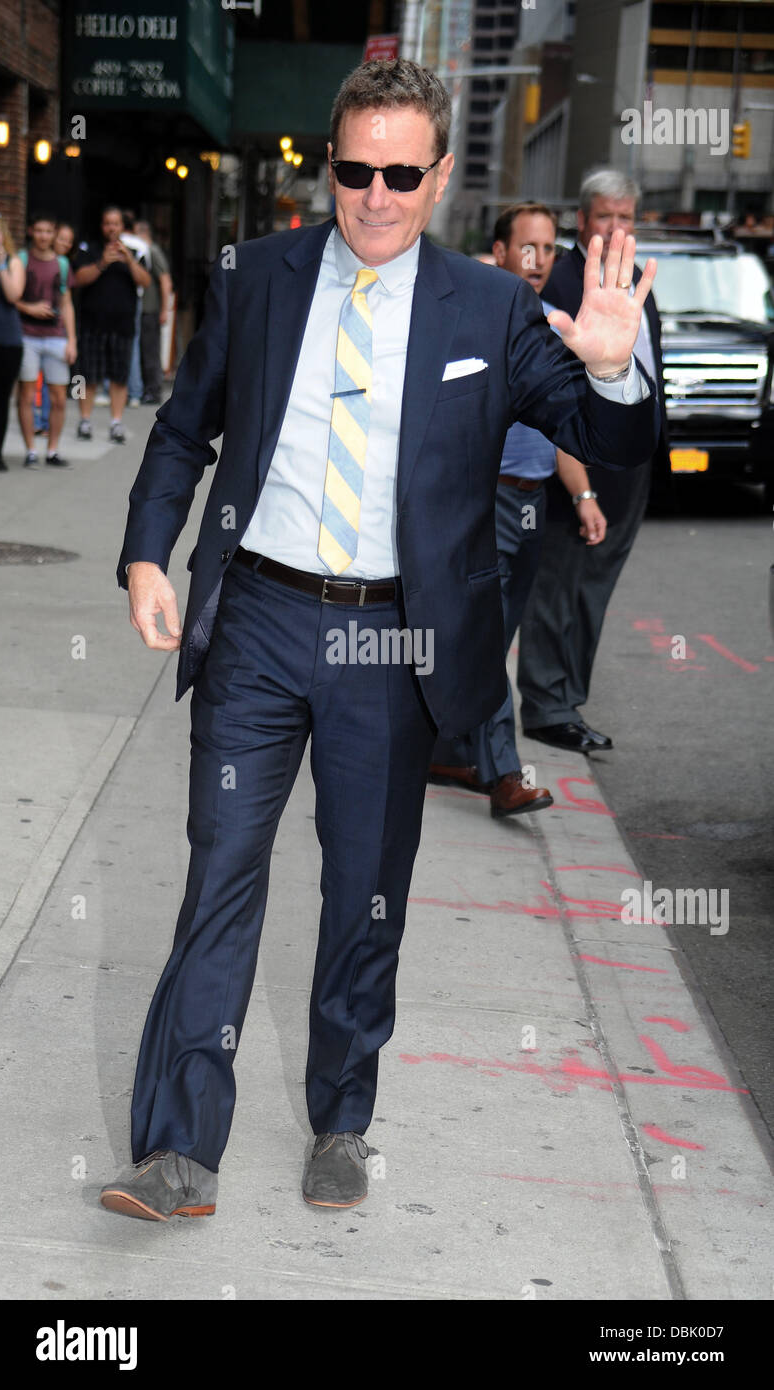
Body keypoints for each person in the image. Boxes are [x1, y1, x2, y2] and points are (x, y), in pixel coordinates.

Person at [100, 59, 658, 1222]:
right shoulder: (259, 276)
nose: (375, 195)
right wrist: (151, 552)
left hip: (388, 640)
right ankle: (176, 1149)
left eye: (401, 173)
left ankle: (341, 1117)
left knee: (364, 887)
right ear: (329, 163)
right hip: (256, 614)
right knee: (221, 871)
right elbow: (182, 428)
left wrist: (607, 371)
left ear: (439, 175)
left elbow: (595, 438)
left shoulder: (490, 308)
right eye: (354, 170)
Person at [428, 201, 608, 816]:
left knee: (493, 635)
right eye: (526, 247)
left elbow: (565, 431)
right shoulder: (466, 319)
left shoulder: (559, 325)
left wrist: (582, 496)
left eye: (549, 249)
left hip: (532, 506)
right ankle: (504, 773)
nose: (538, 260)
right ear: (499, 252)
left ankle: (449, 749)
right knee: (485, 638)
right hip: (483, 499)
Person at [518, 168, 670, 753]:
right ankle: (547, 706)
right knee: (559, 587)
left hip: (633, 462)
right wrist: (581, 491)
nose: (615, 227)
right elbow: (549, 393)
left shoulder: (635, 283)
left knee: (594, 590)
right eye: (604, 215)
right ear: (581, 220)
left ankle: (566, 699)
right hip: (577, 462)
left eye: (625, 217)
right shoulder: (560, 283)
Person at [73, 206, 150, 444]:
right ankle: (85, 420)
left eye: (115, 224)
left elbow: (145, 281)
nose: (111, 228)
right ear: (102, 226)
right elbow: (78, 279)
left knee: (119, 376)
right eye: (107, 223)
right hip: (92, 323)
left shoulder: (135, 251)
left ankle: (116, 422)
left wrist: (128, 259)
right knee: (87, 376)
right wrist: (102, 263)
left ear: (122, 227)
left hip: (122, 324)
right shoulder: (89, 249)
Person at [15, 212, 76, 469]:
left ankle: (52, 450)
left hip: (55, 336)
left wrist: (72, 339)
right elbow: (9, 295)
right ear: (31, 232)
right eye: (39, 231)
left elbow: (66, 302)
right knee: (27, 395)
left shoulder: (61, 264)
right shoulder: (21, 260)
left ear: (54, 234)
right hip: (26, 334)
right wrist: (29, 308)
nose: (43, 236)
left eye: (48, 231)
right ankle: (30, 450)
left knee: (59, 397)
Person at [0, 213, 25, 471]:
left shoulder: (12, 262)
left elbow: (13, 296)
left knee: (1, 399)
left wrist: (0, 265)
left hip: (7, 342)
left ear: (3, 236)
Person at [135, 220, 172, 405]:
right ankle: (145, 389)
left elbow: (166, 281)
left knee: (150, 351)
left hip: (151, 309)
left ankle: (153, 390)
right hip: (142, 309)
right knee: (142, 350)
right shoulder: (142, 251)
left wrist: (164, 310)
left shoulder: (152, 250)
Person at [120, 210, 149, 407]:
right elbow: (148, 275)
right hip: (135, 297)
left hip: (123, 297)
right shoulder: (142, 245)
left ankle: (107, 390)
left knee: (111, 342)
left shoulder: (122, 244)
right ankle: (135, 392)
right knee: (133, 343)